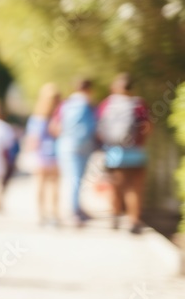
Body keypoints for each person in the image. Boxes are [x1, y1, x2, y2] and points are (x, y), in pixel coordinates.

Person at [97, 73, 150, 234]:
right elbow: (147, 127)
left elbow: (99, 130)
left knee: (114, 187)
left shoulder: (107, 104)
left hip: (113, 154)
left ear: (115, 87)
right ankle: (133, 222)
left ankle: (114, 217)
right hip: (136, 153)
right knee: (134, 188)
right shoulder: (139, 105)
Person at [51, 78, 98, 226]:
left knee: (72, 179)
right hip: (82, 147)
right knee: (77, 180)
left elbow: (54, 126)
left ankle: (76, 209)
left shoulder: (65, 104)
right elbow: (94, 127)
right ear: (89, 89)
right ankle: (73, 213)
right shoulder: (87, 105)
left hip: (65, 145)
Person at [25, 84, 61, 226]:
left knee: (40, 185)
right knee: (54, 186)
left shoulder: (37, 117)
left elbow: (33, 139)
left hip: (41, 155)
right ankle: (53, 214)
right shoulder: (58, 116)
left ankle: (41, 214)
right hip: (55, 154)